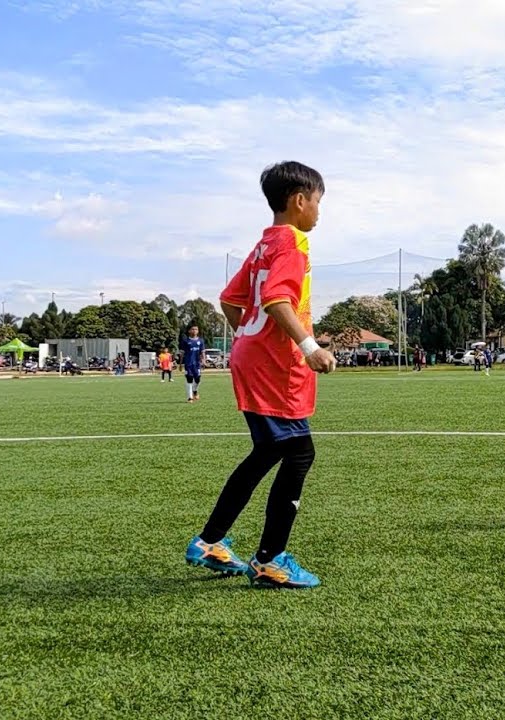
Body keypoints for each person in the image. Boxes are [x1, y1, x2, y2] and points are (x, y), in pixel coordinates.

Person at [186, 160, 336, 590]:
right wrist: (308, 347)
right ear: (299, 201)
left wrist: (251, 336)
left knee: (270, 451)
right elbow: (275, 299)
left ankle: (210, 541)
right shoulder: (292, 243)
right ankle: (270, 560)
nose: (320, 213)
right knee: (300, 453)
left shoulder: (263, 246)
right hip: (275, 366)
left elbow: (230, 300)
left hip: (252, 358)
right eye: (319, 203)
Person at [182, 326, 205, 403]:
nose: (194, 330)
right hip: (188, 363)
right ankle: (190, 397)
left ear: (198, 331)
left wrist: (203, 361)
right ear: (189, 331)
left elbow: (202, 352)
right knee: (189, 379)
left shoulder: (200, 341)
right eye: (192, 329)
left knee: (198, 379)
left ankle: (195, 391)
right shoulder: (185, 341)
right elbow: (182, 353)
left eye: (196, 329)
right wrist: (180, 364)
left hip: (197, 364)